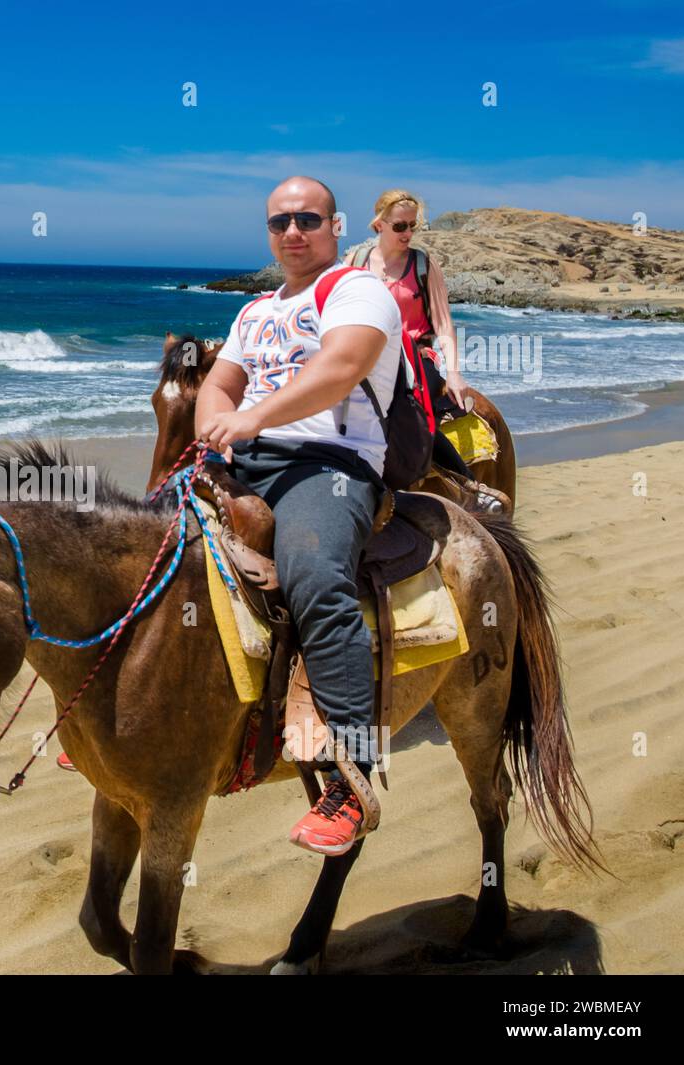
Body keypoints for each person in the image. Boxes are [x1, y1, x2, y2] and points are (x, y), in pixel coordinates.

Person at [196, 175, 399, 856]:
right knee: (144, 543)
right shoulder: (254, 309)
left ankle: (351, 776)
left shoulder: (354, 290)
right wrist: (213, 428)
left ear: (336, 226)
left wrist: (252, 416)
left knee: (314, 574)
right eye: (279, 221)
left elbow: (341, 366)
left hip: (330, 466)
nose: (292, 232)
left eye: (307, 219)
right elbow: (219, 382)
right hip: (248, 458)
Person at [345, 189, 472, 478]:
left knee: (407, 411)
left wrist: (453, 372)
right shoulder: (356, 261)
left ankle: (467, 482)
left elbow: (443, 324)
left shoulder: (424, 265)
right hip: (365, 355)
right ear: (379, 225)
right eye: (399, 226)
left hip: (416, 358)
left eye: (412, 226)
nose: (407, 234)